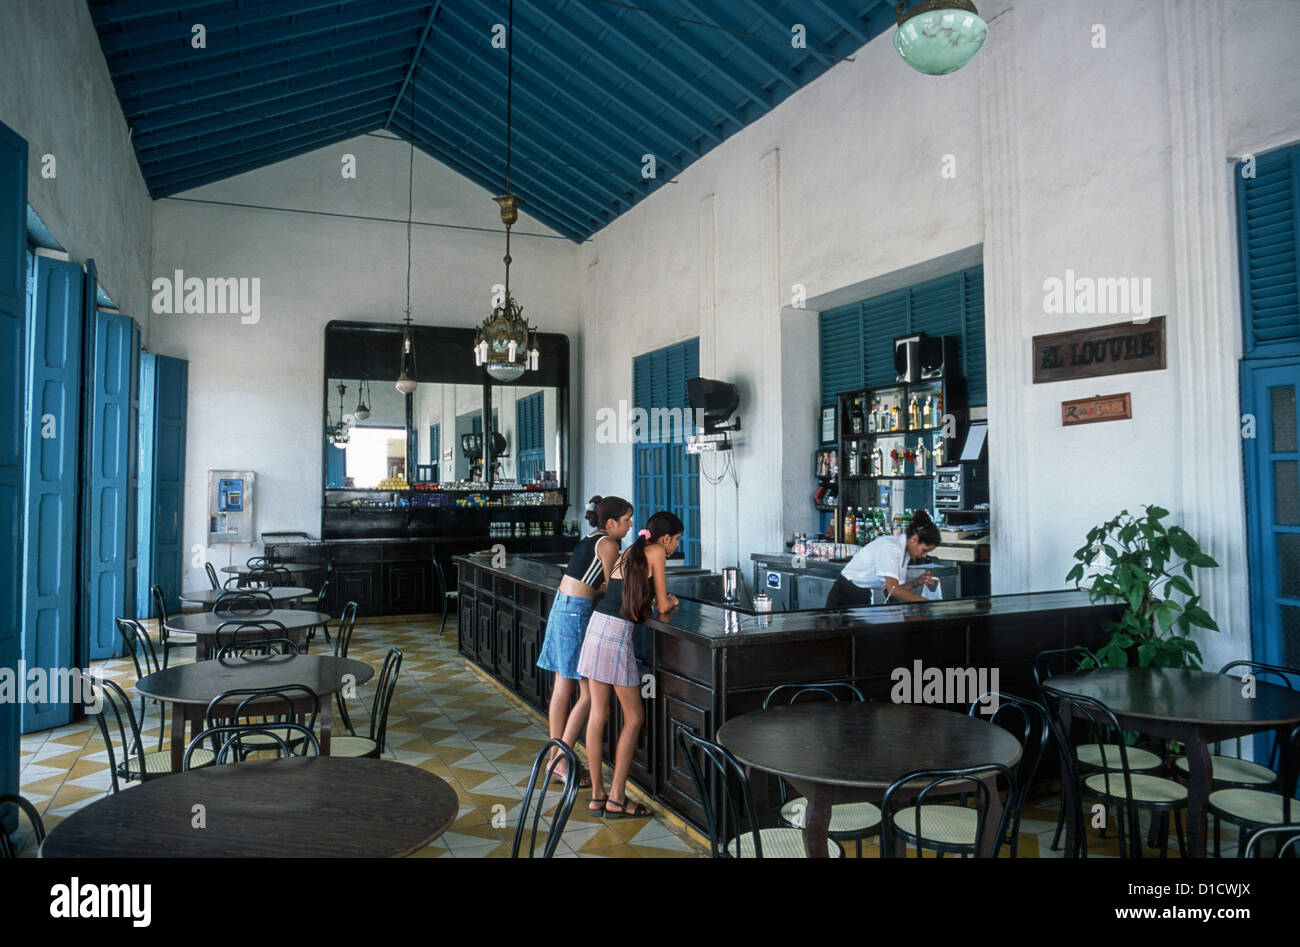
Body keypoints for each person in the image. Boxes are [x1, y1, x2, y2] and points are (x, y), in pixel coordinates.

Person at [578, 510, 682, 818]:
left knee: (598, 714)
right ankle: (617, 798)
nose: (675, 546)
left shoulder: (629, 552)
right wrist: (670, 603)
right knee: (634, 718)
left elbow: (621, 593)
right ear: (665, 538)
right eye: (676, 540)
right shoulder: (656, 552)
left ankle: (598, 796)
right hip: (615, 636)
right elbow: (662, 604)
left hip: (596, 628)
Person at [536, 495, 633, 785]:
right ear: (612, 522)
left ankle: (557, 757)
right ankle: (560, 761)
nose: (630, 526)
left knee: (561, 687)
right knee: (589, 695)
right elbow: (612, 586)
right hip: (577, 613)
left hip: (562, 605)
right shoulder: (609, 544)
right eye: (627, 521)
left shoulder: (591, 537)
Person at [825, 509, 942, 607]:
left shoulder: (904, 553)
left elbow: (889, 591)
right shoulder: (891, 549)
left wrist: (915, 582)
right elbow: (893, 590)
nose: (924, 556)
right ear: (914, 539)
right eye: (924, 550)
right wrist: (927, 603)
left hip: (861, 591)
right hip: (847, 591)